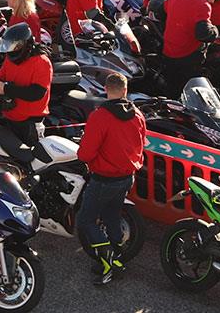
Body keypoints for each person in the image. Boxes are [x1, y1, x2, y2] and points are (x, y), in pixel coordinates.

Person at [76, 72, 146, 284]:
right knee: (112, 216)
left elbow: (85, 154)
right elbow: (141, 144)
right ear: (125, 90)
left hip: (104, 179)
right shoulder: (138, 115)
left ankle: (109, 262)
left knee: (86, 220)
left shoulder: (100, 116)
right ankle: (117, 256)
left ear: (105, 89)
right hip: (127, 177)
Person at [0, 22, 52, 146]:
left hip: (30, 122)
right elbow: (0, 75)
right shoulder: (10, 59)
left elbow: (37, 93)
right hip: (10, 116)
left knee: (33, 155)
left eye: (15, 47)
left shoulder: (42, 62)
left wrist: (7, 89)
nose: (11, 51)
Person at [160, 0, 219, 94]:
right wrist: (215, 31)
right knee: (185, 89)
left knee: (170, 86)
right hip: (187, 54)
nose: (213, 1)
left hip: (168, 50)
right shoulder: (203, 5)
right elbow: (203, 34)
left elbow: (162, 11)